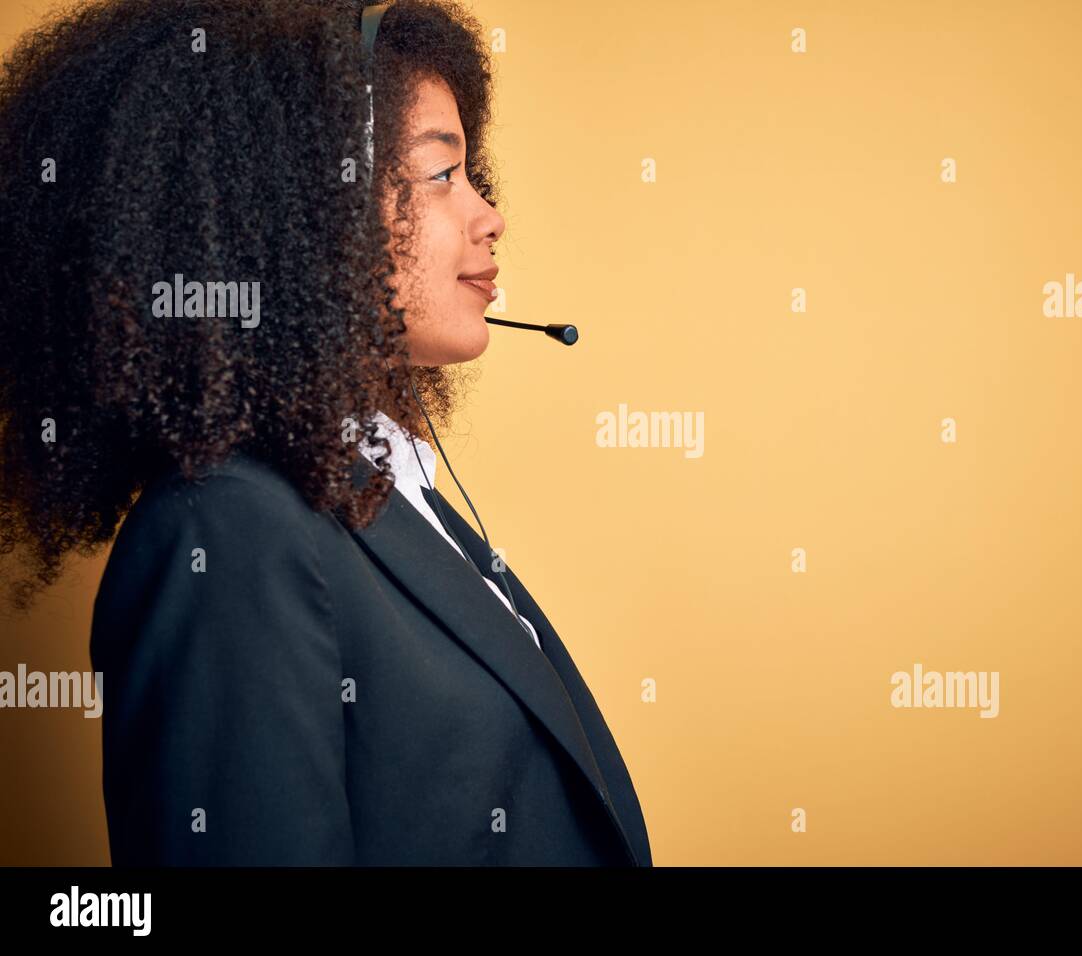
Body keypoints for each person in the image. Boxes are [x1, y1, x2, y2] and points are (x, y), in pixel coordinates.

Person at [0, 0, 651, 866]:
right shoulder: (224, 532)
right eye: (441, 176)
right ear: (302, 213)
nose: (490, 215)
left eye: (472, 173)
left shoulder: (382, 491)